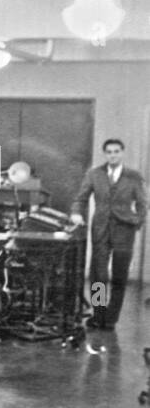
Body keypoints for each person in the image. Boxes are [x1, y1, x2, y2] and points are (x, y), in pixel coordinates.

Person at [71, 138, 146, 330]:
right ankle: (98, 315)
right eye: (109, 152)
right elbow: (81, 198)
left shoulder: (133, 176)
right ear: (105, 154)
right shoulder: (94, 174)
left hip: (124, 230)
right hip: (101, 229)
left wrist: (136, 221)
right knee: (99, 275)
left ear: (122, 153)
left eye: (116, 152)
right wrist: (76, 213)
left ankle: (111, 319)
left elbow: (143, 203)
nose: (113, 155)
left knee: (120, 276)